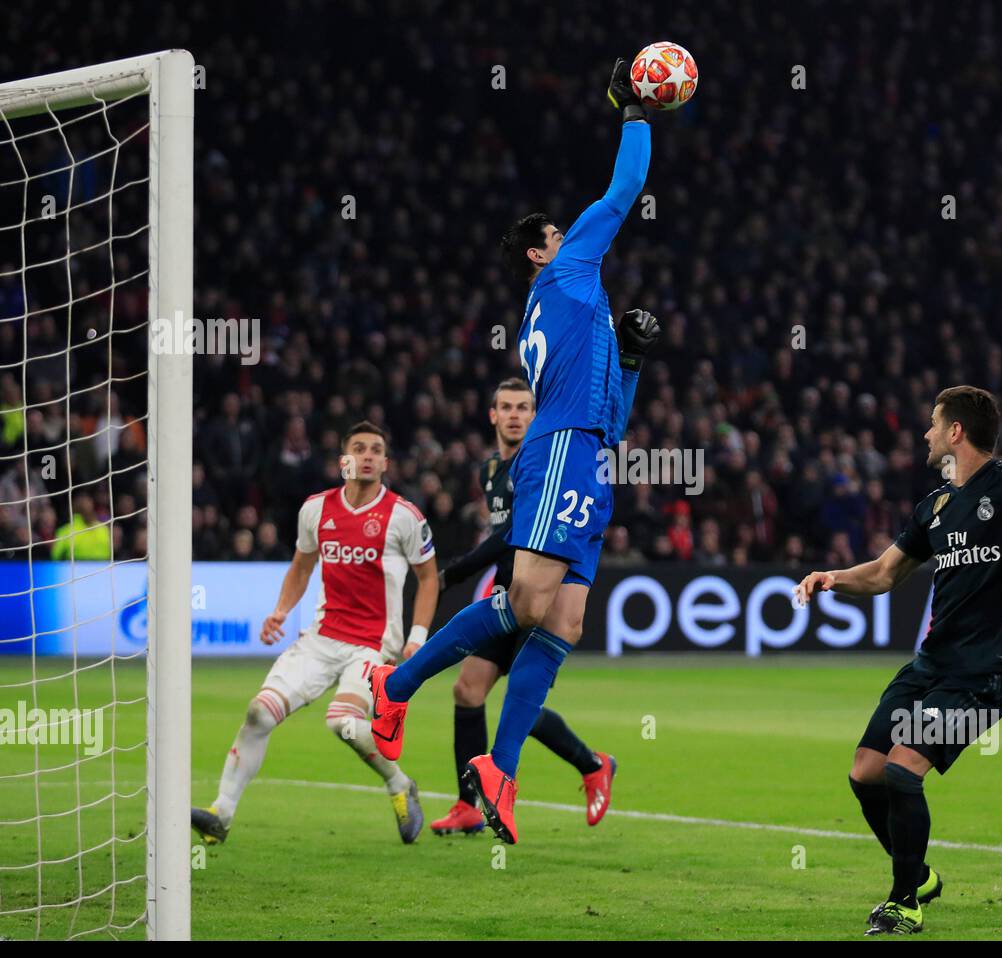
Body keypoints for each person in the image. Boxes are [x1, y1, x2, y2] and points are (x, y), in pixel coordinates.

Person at [368, 59, 659, 845]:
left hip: (591, 454)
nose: (569, 235)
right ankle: (392, 686)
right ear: (539, 253)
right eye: (555, 234)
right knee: (526, 605)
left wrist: (629, 363)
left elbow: (615, 421)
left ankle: (498, 768)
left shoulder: (577, 307)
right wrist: (634, 113)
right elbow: (623, 194)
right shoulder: (566, 273)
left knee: (560, 623)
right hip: (561, 448)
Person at [795, 387, 1002, 935]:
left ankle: (904, 904)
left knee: (903, 769)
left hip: (981, 677)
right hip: (929, 667)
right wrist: (834, 578)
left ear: (956, 433)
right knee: (866, 772)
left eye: (932, 424)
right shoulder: (935, 506)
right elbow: (882, 573)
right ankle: (917, 875)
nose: (925, 433)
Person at [191, 421, 439, 845]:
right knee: (258, 713)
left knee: (342, 723)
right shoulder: (316, 510)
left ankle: (398, 783)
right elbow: (302, 566)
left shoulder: (404, 517)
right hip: (322, 638)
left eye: (375, 450)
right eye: (358, 448)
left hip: (373, 646)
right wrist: (281, 611)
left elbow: (429, 578)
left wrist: (416, 636)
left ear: (385, 462)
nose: (366, 456)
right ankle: (222, 814)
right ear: (343, 460)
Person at [430, 377, 617, 834]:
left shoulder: (543, 462)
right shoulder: (491, 471)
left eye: (523, 407)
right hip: (506, 595)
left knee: (522, 704)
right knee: (468, 690)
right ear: (492, 415)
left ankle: (594, 764)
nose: (515, 414)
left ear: (536, 416)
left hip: (540, 599)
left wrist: (454, 571)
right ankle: (467, 805)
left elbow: (509, 536)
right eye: (506, 407)